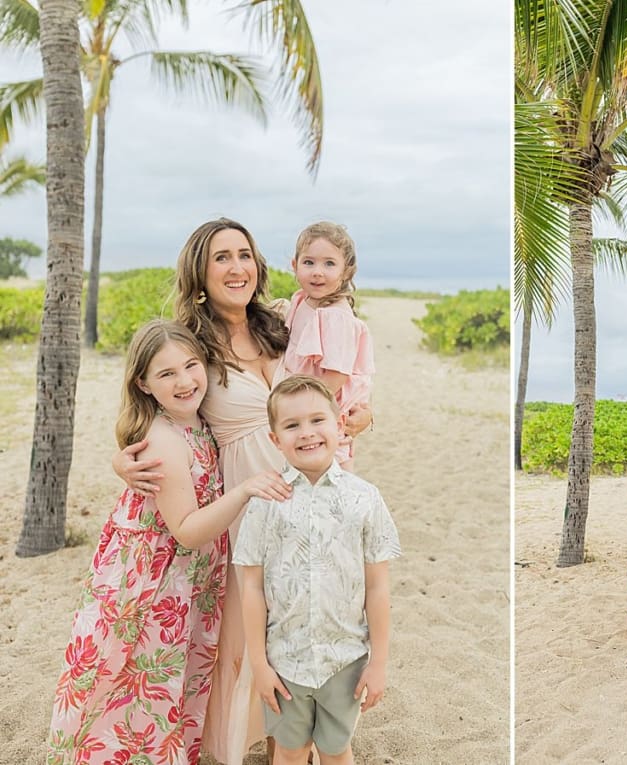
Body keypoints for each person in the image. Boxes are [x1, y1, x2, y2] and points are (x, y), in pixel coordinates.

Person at [113, 218, 373, 765]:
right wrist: (123, 457)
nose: (237, 268)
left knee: (312, 608)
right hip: (248, 491)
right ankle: (257, 741)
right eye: (221, 258)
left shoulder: (284, 317)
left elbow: (336, 392)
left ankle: (310, 732)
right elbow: (154, 402)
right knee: (256, 622)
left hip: (312, 480)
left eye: (244, 255)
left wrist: (361, 416)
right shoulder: (191, 342)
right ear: (200, 274)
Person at [47, 320, 289, 765]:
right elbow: (187, 530)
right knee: (138, 691)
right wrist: (244, 490)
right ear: (143, 382)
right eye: (166, 374)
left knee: (167, 686)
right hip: (155, 587)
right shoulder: (164, 440)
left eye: (191, 366)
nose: (184, 381)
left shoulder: (196, 420)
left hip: (182, 583)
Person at [235, 376, 400, 765]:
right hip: (284, 660)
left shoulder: (364, 498)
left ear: (339, 426)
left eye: (317, 420)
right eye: (292, 425)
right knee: (290, 750)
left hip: (345, 659)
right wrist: (260, 665)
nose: (306, 433)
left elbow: (377, 588)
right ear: (275, 439)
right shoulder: (265, 502)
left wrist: (377, 663)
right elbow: (252, 589)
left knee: (335, 748)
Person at [282, 222, 374, 471]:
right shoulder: (301, 300)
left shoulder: (336, 316)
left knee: (329, 469)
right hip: (304, 404)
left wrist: (300, 406)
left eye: (329, 264)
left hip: (322, 406)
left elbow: (336, 376)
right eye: (309, 262)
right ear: (294, 265)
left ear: (347, 271)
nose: (317, 272)